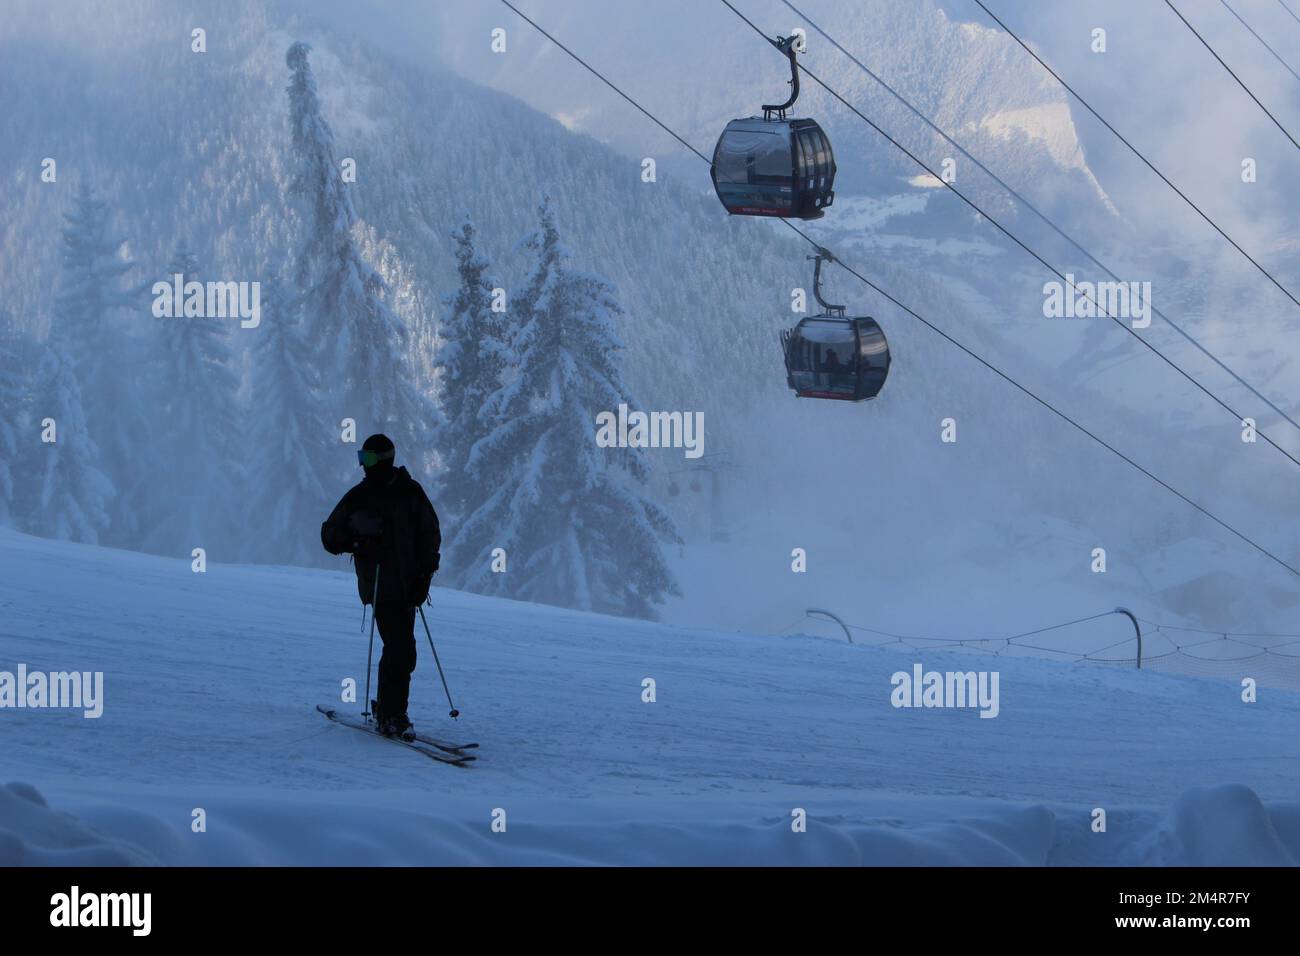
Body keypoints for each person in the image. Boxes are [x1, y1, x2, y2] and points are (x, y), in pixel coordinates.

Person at [320, 434, 441, 740]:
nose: (364, 466)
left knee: (403, 650)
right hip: (379, 586)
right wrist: (359, 539)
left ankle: (388, 710)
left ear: (385, 459)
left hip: (410, 587)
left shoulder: (410, 493)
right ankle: (392, 715)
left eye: (369, 459)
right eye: (362, 458)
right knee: (401, 648)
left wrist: (425, 575)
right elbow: (329, 535)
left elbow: (430, 534)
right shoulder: (360, 496)